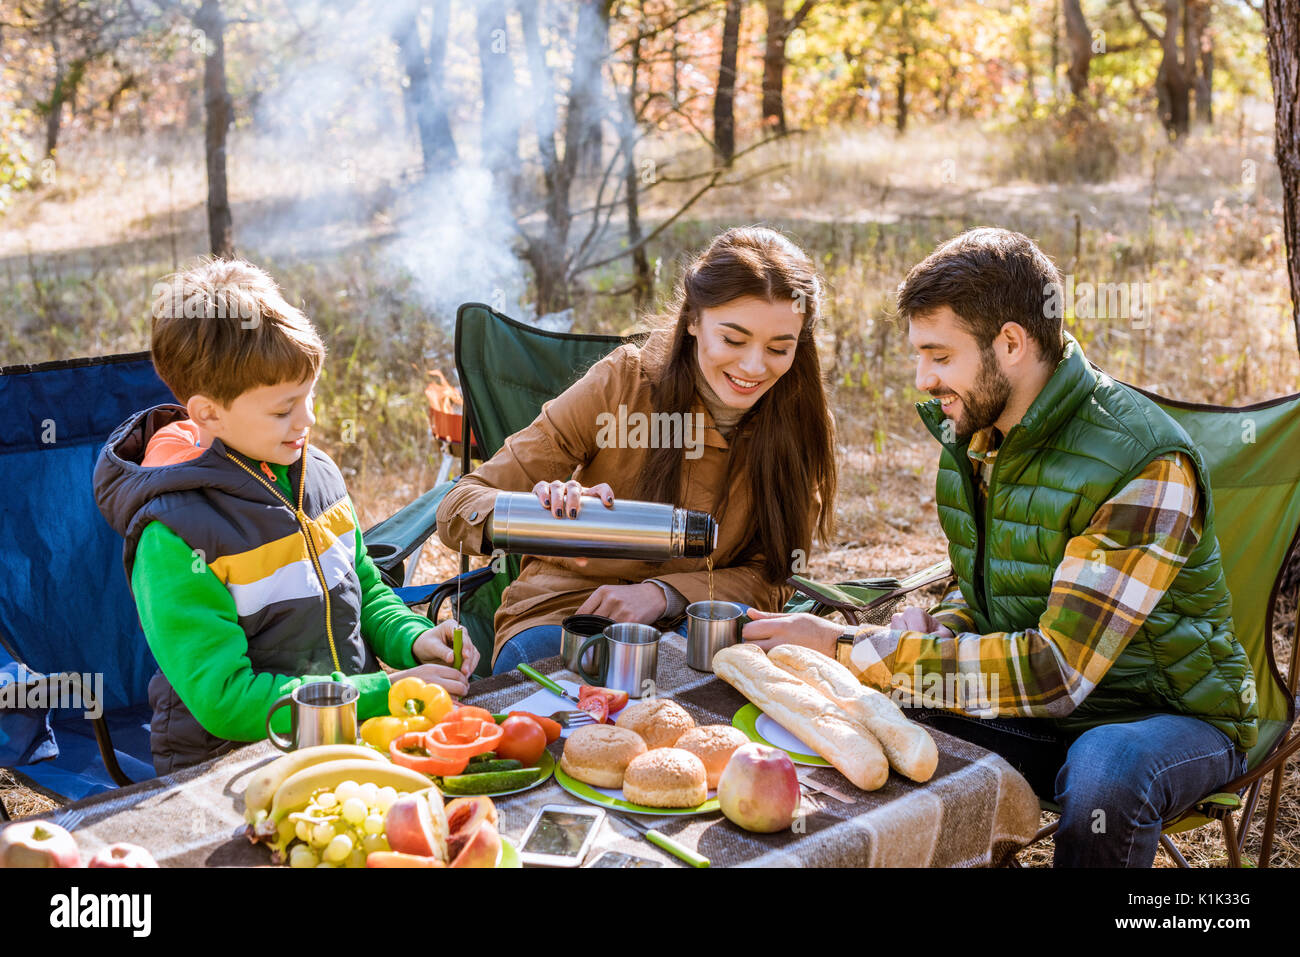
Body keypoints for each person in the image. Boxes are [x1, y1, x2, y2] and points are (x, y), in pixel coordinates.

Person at [743, 227, 1257, 867]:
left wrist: (848, 647)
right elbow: (998, 590)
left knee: (1108, 767)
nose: (923, 379)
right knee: (876, 718)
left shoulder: (1144, 464)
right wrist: (940, 627)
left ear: (1010, 343)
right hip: (1040, 713)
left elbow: (1054, 673)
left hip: (1165, 720)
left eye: (938, 355)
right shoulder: (979, 435)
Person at [94, 259, 478, 774]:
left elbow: (363, 586)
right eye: (283, 410)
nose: (307, 420)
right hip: (232, 765)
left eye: (310, 396)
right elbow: (227, 700)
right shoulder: (175, 533)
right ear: (207, 413)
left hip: (350, 734)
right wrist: (380, 693)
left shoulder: (314, 472)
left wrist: (412, 637)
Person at [436, 226, 838, 674]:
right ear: (693, 321)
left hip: (700, 624)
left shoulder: (798, 423)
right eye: (733, 340)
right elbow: (459, 505)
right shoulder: (623, 383)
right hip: (569, 614)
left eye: (779, 348)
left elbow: (771, 576)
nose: (753, 367)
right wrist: (535, 515)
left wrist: (662, 593)